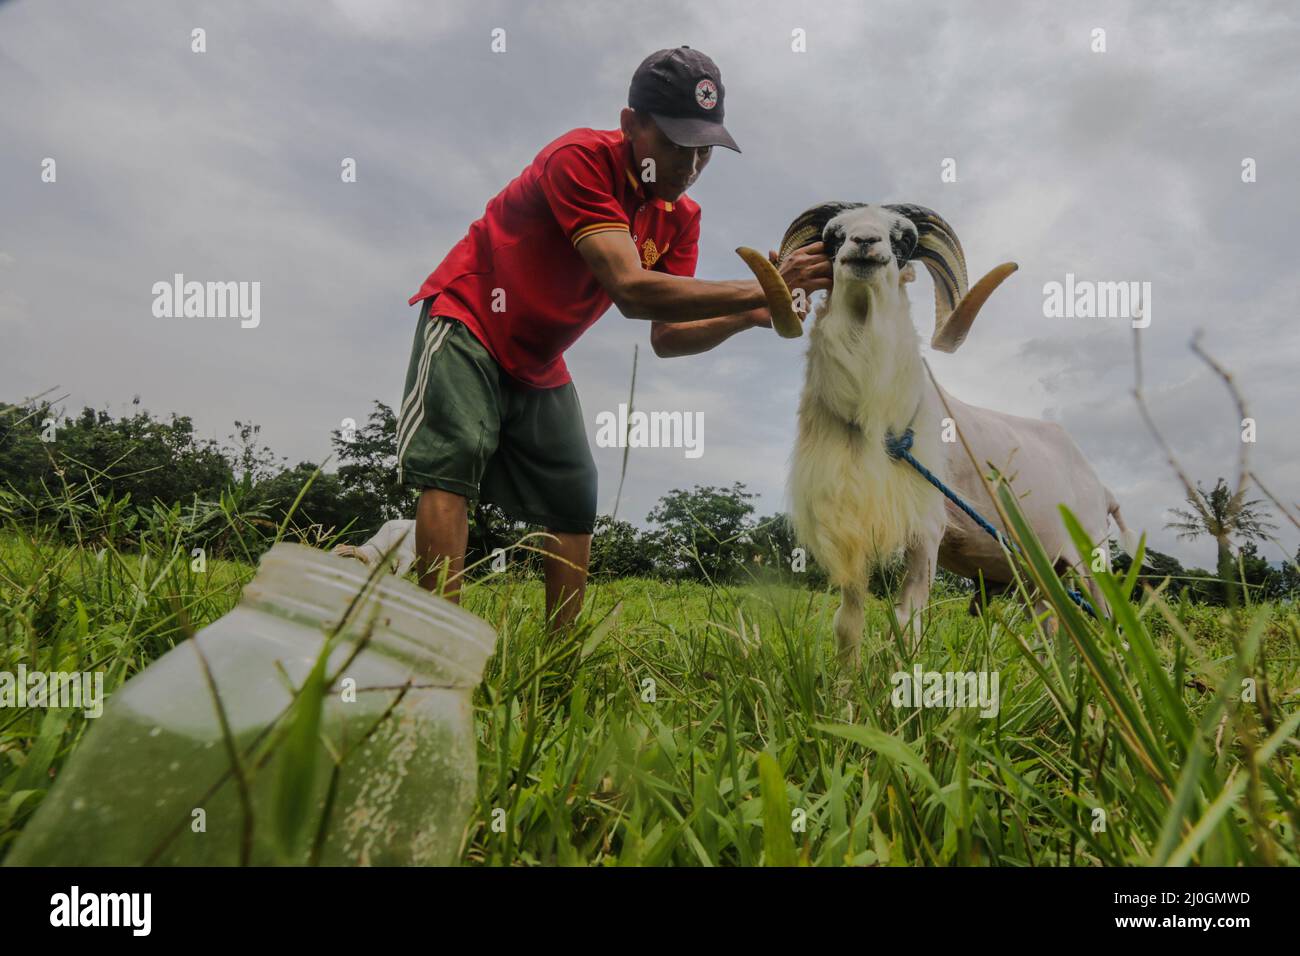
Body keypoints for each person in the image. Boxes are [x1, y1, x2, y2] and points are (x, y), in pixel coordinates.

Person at [397, 46, 831, 626]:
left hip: (540, 357)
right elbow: (629, 287)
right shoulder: (579, 159)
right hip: (471, 317)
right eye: (677, 144)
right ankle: (435, 650)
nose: (692, 163)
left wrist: (747, 314)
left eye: (705, 148)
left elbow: (668, 336)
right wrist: (765, 287)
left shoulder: (681, 217)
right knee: (452, 466)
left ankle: (559, 661)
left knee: (574, 495)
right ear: (631, 125)